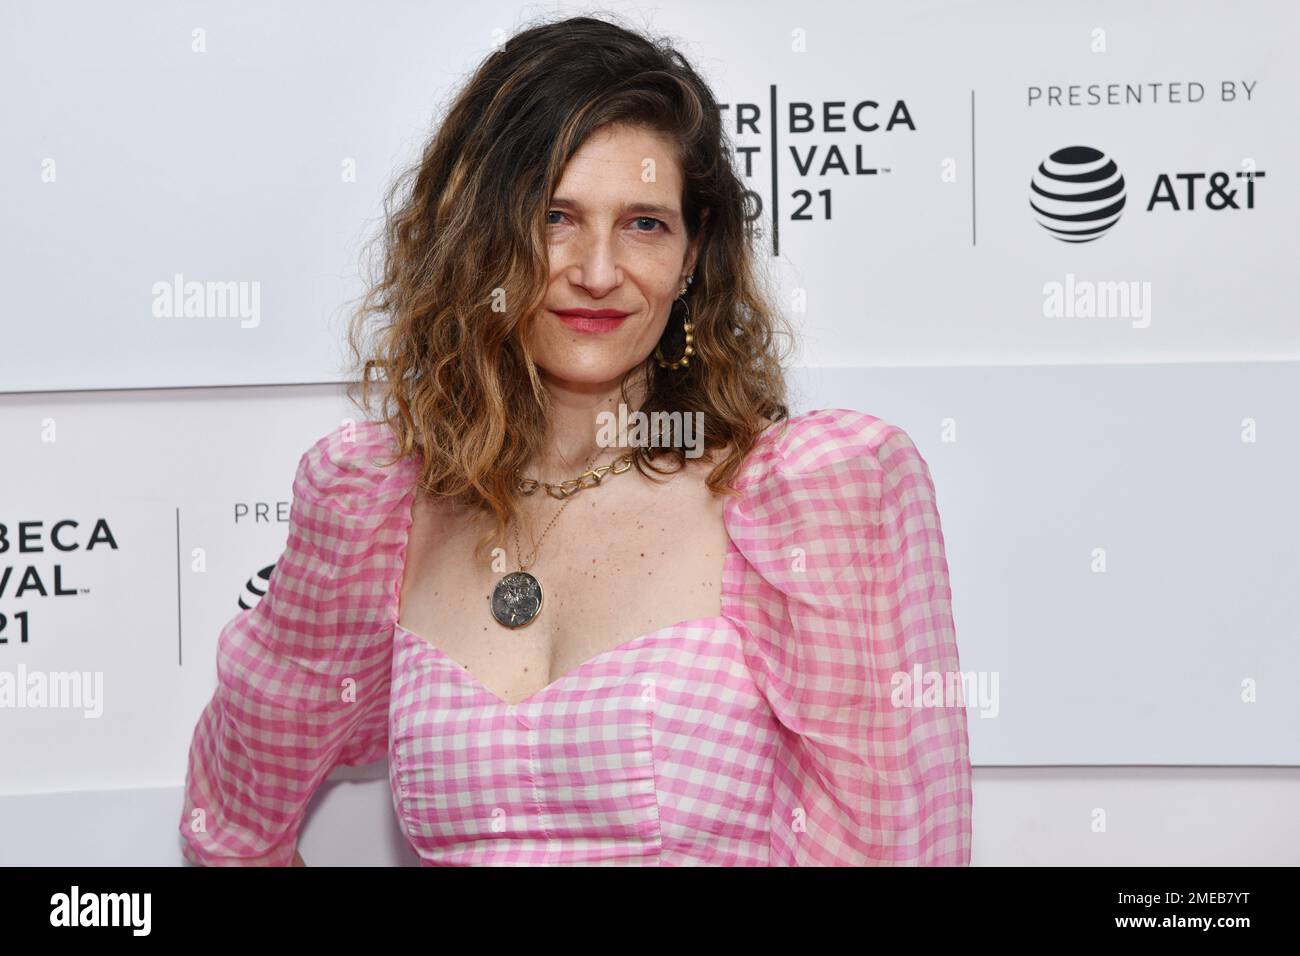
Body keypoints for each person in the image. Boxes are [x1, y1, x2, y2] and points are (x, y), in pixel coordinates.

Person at [178, 13, 972, 866]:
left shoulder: (808, 497)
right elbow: (231, 822)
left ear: (694, 250)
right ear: (480, 238)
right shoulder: (377, 508)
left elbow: (899, 853)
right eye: (556, 216)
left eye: (645, 224)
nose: (597, 271)